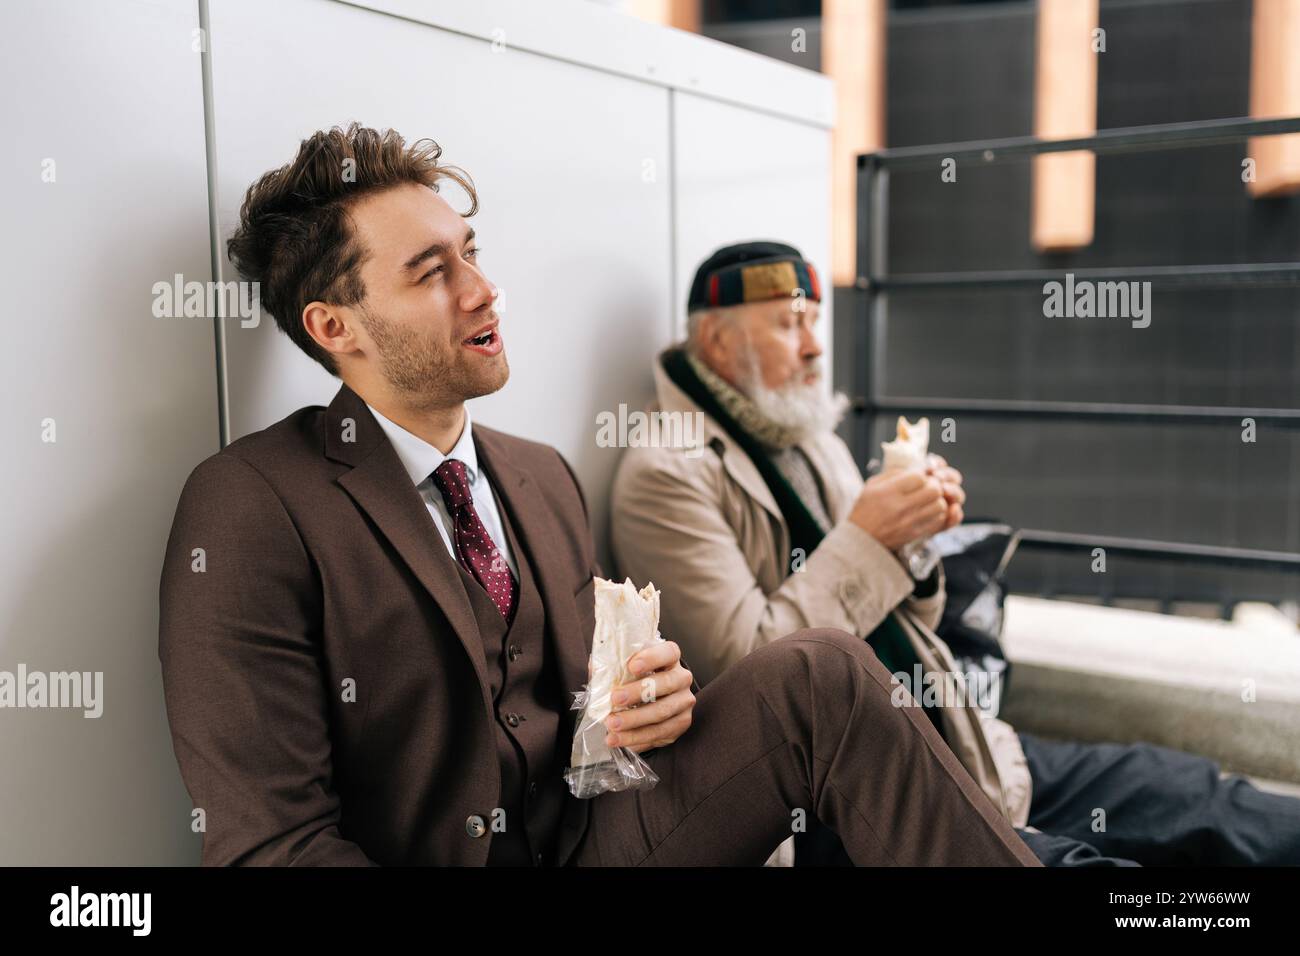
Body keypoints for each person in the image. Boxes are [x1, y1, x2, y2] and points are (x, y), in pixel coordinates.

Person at [156, 124, 1040, 867]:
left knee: (824, 672)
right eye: (431, 272)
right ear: (333, 327)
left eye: (471, 253)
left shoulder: (541, 474)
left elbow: (592, 735)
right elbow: (270, 847)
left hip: (601, 840)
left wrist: (652, 705)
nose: (482, 289)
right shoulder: (248, 505)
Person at [609, 240, 1300, 867]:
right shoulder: (664, 473)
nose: (815, 346)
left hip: (963, 741)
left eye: (815, 320)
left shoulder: (808, 438)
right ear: (718, 342)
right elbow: (750, 668)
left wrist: (914, 542)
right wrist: (870, 537)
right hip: (852, 801)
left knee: (1202, 800)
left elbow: (916, 615)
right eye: (789, 324)